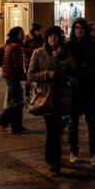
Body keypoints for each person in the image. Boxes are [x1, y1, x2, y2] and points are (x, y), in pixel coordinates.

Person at [27, 26, 74, 174]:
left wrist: (66, 79)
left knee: (56, 130)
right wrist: (46, 74)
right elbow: (30, 75)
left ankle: (53, 159)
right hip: (45, 97)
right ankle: (54, 161)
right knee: (53, 129)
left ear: (60, 38)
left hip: (61, 97)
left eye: (55, 36)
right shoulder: (38, 53)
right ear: (46, 38)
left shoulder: (66, 55)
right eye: (50, 36)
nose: (52, 38)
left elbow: (74, 73)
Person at [63, 19, 95, 167]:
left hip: (90, 90)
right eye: (76, 27)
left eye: (81, 28)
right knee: (73, 124)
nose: (79, 30)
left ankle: (94, 153)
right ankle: (73, 151)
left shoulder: (94, 46)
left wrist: (84, 73)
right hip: (74, 92)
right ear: (73, 29)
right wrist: (73, 76)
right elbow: (64, 66)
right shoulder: (68, 46)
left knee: (93, 124)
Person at [0, 26, 27, 133]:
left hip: (9, 76)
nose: (23, 34)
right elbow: (16, 65)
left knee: (16, 102)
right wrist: (25, 77)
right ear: (17, 34)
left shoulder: (8, 45)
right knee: (18, 102)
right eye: (22, 33)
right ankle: (3, 120)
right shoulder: (16, 47)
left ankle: (16, 127)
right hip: (13, 77)